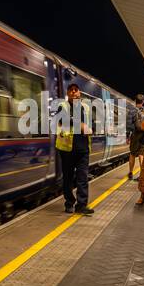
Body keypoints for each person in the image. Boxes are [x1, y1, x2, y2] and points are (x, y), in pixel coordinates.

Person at [55, 82, 94, 215]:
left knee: (83, 178)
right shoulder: (62, 106)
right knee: (68, 179)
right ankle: (69, 203)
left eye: (76, 90)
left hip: (83, 149)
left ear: (79, 93)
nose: (73, 92)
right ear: (68, 93)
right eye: (71, 90)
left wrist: (90, 128)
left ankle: (82, 205)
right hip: (67, 150)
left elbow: (91, 123)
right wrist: (81, 125)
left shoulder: (85, 108)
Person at [126, 93, 144, 180]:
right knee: (141, 155)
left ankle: (131, 172)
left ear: (135, 101)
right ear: (143, 101)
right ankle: (142, 174)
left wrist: (127, 136)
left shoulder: (131, 111)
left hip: (135, 134)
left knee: (132, 154)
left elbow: (128, 125)